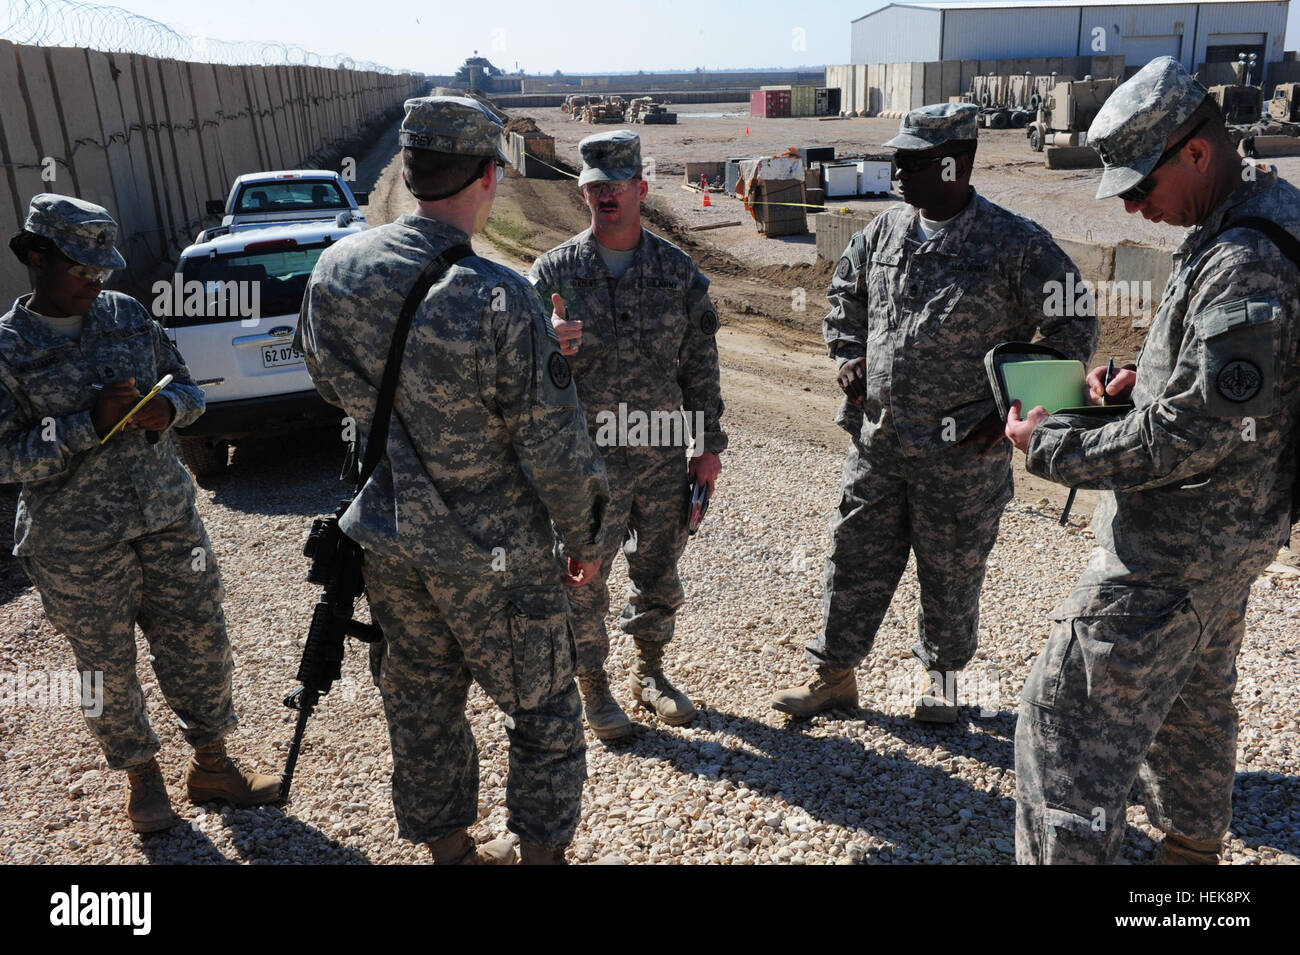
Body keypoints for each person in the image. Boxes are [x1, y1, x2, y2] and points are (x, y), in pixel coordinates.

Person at [296, 97, 610, 865]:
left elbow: (328, 383)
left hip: (391, 547)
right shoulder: (503, 294)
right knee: (541, 710)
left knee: (422, 708)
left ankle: (452, 856)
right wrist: (587, 541)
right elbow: (559, 449)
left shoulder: (337, 269)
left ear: (408, 169)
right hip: (495, 555)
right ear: (488, 176)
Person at [1005, 57, 1300, 865]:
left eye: (1140, 186)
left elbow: (1195, 436)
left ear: (1197, 155)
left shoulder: (1243, 257)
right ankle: (1188, 871)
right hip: (1233, 538)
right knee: (1193, 703)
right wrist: (1150, 382)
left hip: (1173, 547)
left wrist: (1057, 442)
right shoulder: (1264, 216)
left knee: (1060, 726)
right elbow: (1234, 392)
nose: (1134, 207)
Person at [772, 103, 1098, 723]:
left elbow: (1075, 322)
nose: (895, 170)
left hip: (961, 456)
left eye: (911, 160)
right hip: (879, 441)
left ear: (955, 164)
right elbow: (846, 296)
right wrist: (847, 353)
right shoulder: (883, 232)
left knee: (951, 574)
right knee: (854, 557)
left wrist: (1014, 406)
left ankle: (944, 686)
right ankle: (834, 677)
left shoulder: (1015, 243)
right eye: (896, 158)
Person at [0, 195, 279, 834]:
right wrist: (82, 425)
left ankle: (212, 764)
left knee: (200, 644)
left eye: (103, 271)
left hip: (166, 516)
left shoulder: (125, 315)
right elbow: (4, 456)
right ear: (37, 258)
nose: (96, 284)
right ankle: (141, 779)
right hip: (75, 541)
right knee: (103, 667)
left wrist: (170, 410)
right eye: (82, 270)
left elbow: (185, 385)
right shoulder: (8, 349)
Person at [527, 130, 726, 740]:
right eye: (595, 186)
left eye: (618, 185)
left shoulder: (676, 271)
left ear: (641, 188)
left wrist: (708, 446)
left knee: (659, 570)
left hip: (663, 453)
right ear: (583, 192)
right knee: (582, 576)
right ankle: (594, 689)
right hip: (586, 463)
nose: (606, 195)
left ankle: (651, 674)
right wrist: (545, 343)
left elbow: (700, 362)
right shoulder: (553, 273)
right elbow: (516, 372)